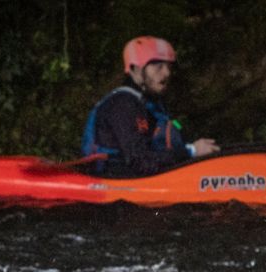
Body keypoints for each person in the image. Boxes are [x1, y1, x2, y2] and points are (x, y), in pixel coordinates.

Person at [80, 36, 219, 178]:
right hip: (112, 180)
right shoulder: (122, 105)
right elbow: (142, 162)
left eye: (168, 66)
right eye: (158, 66)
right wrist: (191, 151)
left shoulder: (151, 104)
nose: (167, 73)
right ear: (135, 69)